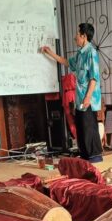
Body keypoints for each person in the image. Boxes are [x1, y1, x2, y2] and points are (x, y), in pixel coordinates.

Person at [41, 23, 104, 162]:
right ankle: (85, 156)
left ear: (84, 36)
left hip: (89, 99)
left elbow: (94, 78)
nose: (75, 37)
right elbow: (67, 62)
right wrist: (50, 53)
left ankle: (95, 156)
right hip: (79, 97)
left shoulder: (91, 53)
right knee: (80, 128)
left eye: (77, 34)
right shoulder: (80, 54)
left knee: (89, 127)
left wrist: (87, 98)